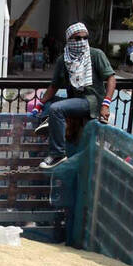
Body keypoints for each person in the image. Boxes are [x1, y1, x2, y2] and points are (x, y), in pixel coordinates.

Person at [34, 22, 116, 170]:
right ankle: (49, 121)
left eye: (85, 38)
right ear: (69, 40)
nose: (82, 42)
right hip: (75, 101)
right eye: (77, 38)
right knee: (49, 103)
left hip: (91, 101)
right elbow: (54, 86)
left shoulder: (95, 55)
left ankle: (57, 153)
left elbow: (111, 78)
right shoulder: (63, 60)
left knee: (56, 109)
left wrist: (106, 104)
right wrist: (39, 104)